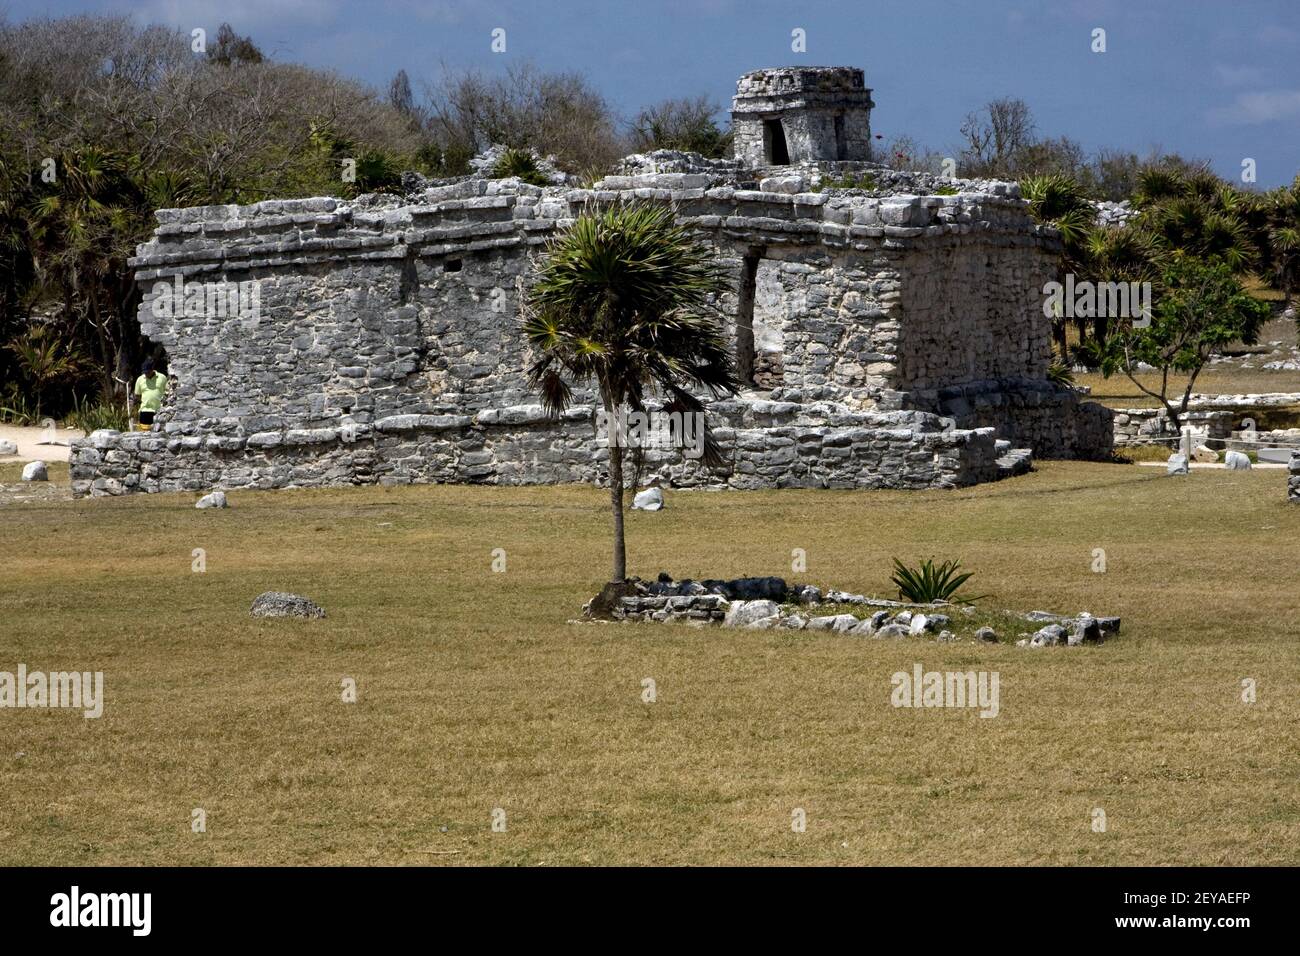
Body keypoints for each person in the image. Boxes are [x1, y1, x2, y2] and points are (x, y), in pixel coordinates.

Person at [134, 359, 167, 430]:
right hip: (145, 411)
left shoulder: (162, 377)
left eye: (148, 372)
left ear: (152, 369)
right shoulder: (140, 379)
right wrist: (146, 402)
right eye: (145, 372)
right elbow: (137, 395)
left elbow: (167, 392)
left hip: (159, 411)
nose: (146, 374)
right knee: (145, 435)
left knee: (159, 433)